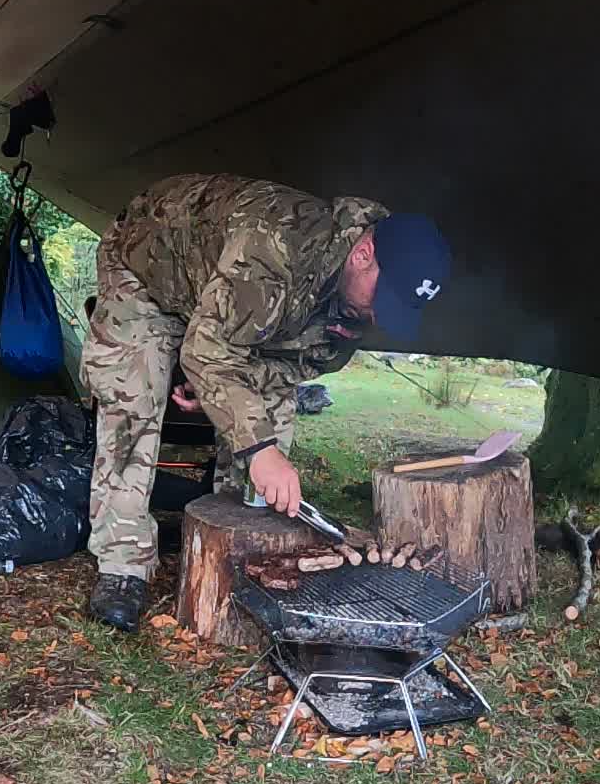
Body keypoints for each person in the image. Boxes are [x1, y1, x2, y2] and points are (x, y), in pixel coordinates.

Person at [81, 174, 452, 631]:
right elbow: (207, 350)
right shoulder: (276, 245)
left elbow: (292, 369)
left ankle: (238, 554)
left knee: (269, 411)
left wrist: (220, 390)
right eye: (384, 299)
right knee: (132, 401)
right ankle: (122, 566)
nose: (380, 316)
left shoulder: (356, 304)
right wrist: (257, 447)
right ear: (362, 254)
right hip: (146, 271)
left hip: (224, 302)